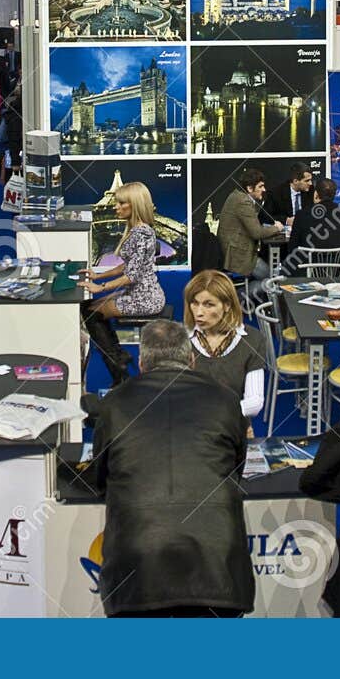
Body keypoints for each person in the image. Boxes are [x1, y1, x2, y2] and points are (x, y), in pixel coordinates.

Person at [90, 319, 253, 617]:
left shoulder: (114, 403)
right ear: (191, 360)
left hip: (137, 573)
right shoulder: (226, 400)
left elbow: (100, 479)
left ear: (140, 363)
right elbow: (236, 470)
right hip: (218, 572)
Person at [81, 181, 166, 387]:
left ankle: (118, 369)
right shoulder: (137, 229)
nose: (116, 207)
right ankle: (118, 358)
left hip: (145, 298)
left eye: (121, 203)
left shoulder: (141, 233)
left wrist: (99, 288)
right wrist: (97, 276)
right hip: (139, 293)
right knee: (88, 308)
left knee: (91, 313)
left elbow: (132, 276)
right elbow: (125, 267)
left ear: (134, 205)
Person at [183, 271, 267, 423]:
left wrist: (213, 414)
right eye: (194, 303)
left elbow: (254, 402)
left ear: (227, 305)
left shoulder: (253, 339)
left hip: (233, 428)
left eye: (209, 304)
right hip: (189, 429)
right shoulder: (179, 339)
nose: (199, 312)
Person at [216, 168, 284, 288]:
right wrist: (277, 228)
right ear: (249, 188)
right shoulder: (243, 201)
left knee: (272, 279)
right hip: (240, 257)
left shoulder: (237, 196)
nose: (264, 190)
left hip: (238, 252)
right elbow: (257, 232)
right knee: (274, 281)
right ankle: (240, 297)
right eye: (260, 186)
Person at [282, 178, 340, 275]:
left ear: (316, 194)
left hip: (306, 272)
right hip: (337, 272)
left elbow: (292, 248)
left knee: (283, 267)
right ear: (334, 195)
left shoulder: (301, 214)